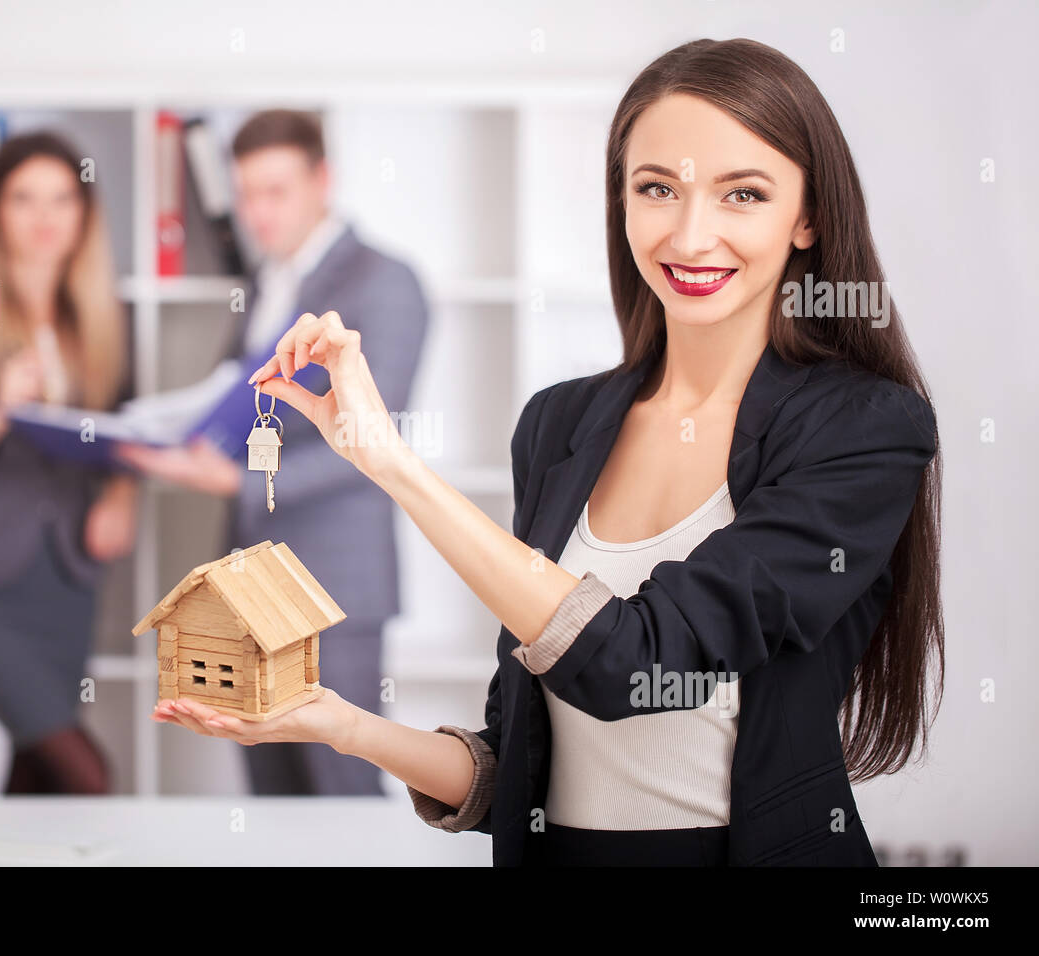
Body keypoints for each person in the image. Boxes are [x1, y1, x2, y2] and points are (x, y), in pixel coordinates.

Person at [150, 38, 944, 867]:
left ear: (808, 216)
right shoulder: (561, 424)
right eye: (657, 189)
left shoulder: (865, 429)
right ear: (623, 204)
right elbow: (514, 768)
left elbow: (629, 664)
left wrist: (391, 463)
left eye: (742, 193)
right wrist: (338, 724)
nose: (691, 231)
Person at [119, 110, 429, 796]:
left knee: (341, 794)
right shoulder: (266, 282)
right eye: (246, 194)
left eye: (275, 192)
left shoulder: (386, 281)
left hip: (334, 586)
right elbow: (241, 402)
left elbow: (376, 444)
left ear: (325, 180)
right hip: (250, 583)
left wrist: (235, 481)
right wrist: (183, 443)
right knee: (273, 801)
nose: (256, 214)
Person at [0, 132, 137, 795]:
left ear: (84, 214)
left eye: (63, 199)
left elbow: (128, 435)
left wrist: (121, 494)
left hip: (67, 579)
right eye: (24, 199)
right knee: (88, 776)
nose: (45, 218)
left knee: (36, 773)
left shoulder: (103, 313)